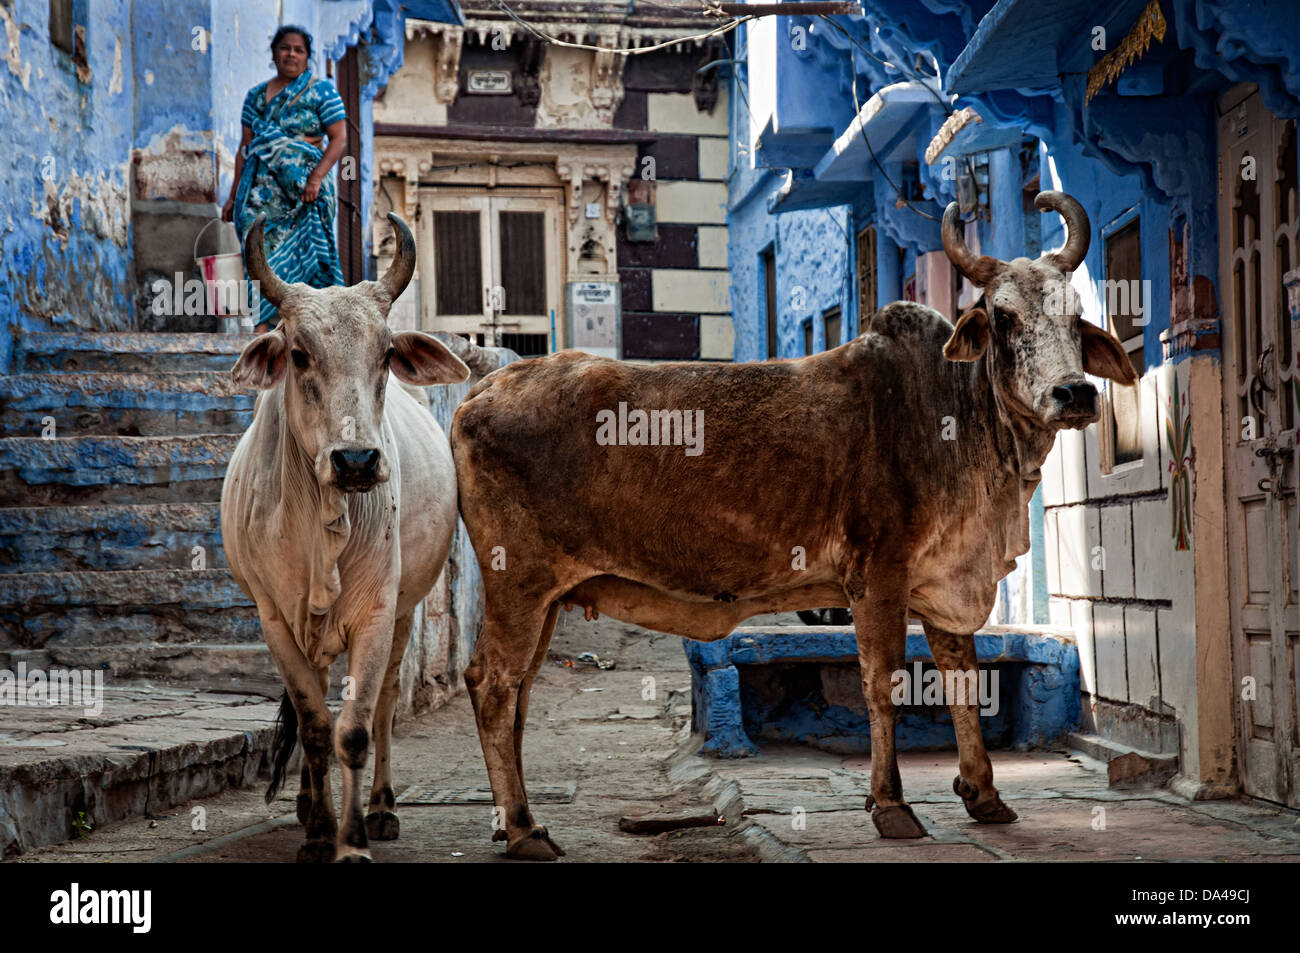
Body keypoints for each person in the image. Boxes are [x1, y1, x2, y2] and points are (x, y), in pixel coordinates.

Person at [222, 25, 348, 331]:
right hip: (259, 197)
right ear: (274, 53)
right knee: (260, 257)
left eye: (299, 50)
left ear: (307, 58)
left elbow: (339, 139)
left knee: (309, 258)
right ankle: (263, 330)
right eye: (284, 48)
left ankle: (309, 329)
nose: (291, 54)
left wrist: (316, 179)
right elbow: (245, 147)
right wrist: (232, 195)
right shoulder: (255, 97)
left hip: (304, 195)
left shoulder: (321, 92)